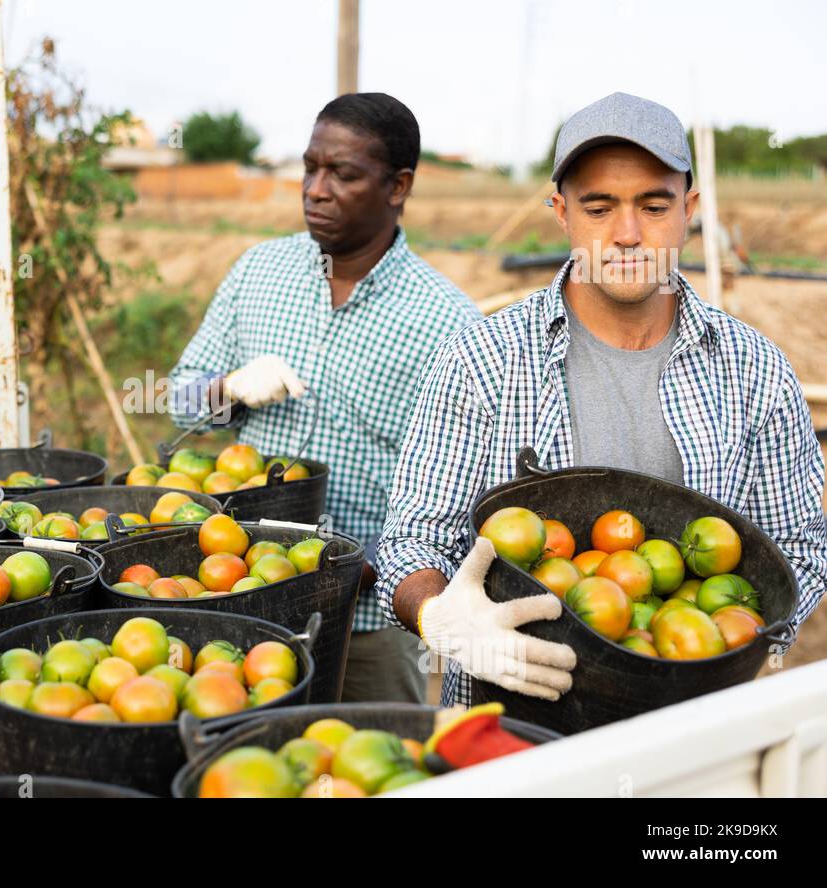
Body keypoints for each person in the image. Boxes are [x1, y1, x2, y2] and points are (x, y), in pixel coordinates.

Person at [376, 92, 827, 705]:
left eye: (654, 204)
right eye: (599, 206)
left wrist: (736, 646)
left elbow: (800, 544)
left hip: (691, 727)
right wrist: (440, 618)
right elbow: (412, 539)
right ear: (562, 213)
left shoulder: (756, 372)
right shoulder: (485, 360)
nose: (628, 234)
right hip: (512, 720)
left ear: (689, 209)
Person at [170, 93, 482, 703]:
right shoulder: (258, 274)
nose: (315, 189)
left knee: (375, 763)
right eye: (310, 168)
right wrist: (228, 391)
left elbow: (467, 489)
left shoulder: (447, 323)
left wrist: (368, 566)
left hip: (372, 624)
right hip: (239, 600)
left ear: (398, 186)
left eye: (342, 174)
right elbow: (178, 400)